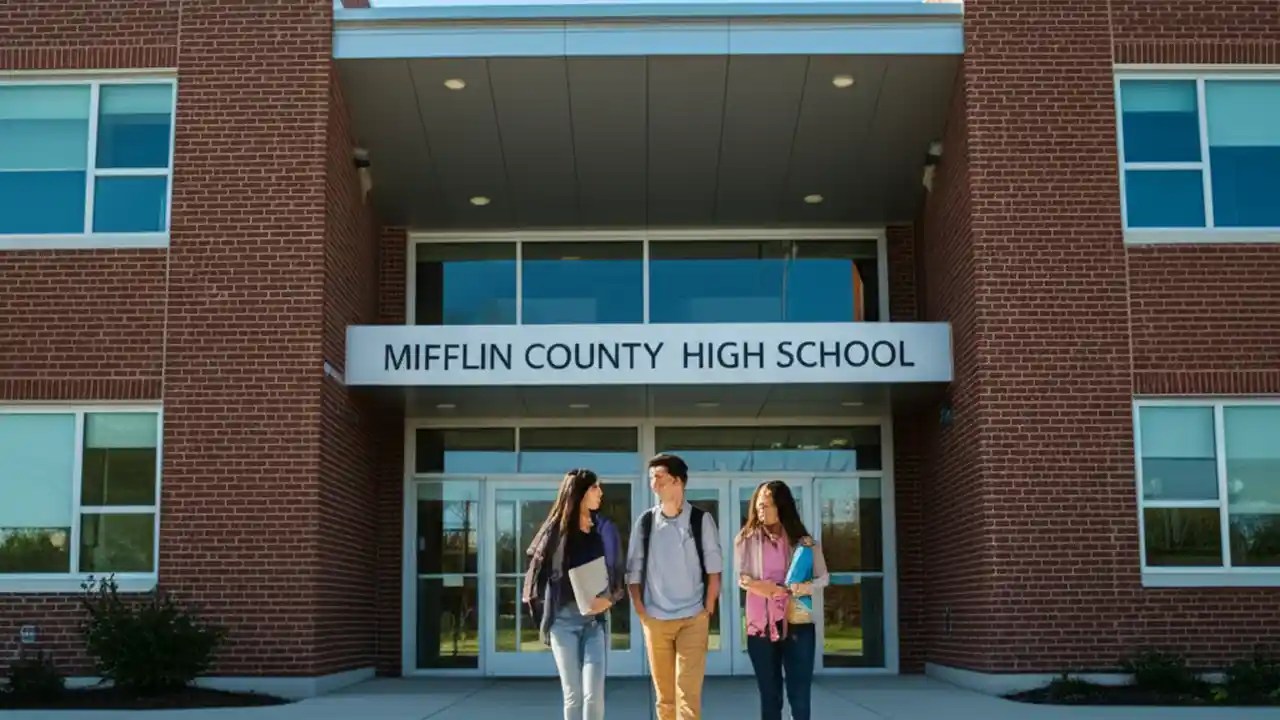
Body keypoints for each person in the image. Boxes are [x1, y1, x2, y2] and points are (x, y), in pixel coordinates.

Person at [523, 468, 627, 720]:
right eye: (594, 488)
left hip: (594, 622)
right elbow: (534, 577)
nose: (600, 493)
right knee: (573, 695)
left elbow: (617, 574)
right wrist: (542, 615)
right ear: (579, 493)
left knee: (594, 694)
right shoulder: (555, 532)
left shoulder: (603, 529)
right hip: (563, 622)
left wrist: (610, 598)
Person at [627, 453, 723, 720]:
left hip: (693, 618)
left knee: (688, 696)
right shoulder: (645, 522)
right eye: (651, 478)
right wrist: (641, 611)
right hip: (655, 620)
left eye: (659, 477)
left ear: (678, 482)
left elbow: (714, 570)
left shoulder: (701, 521)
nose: (653, 484)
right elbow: (633, 571)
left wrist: (707, 610)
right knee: (665, 699)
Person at [734, 481, 829, 720]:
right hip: (761, 627)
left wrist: (806, 586)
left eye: (767, 505)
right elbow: (741, 578)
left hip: (798, 622)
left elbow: (824, 577)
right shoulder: (745, 539)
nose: (761, 510)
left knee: (799, 695)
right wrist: (763, 588)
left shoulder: (804, 542)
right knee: (769, 696)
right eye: (758, 506)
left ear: (782, 506)